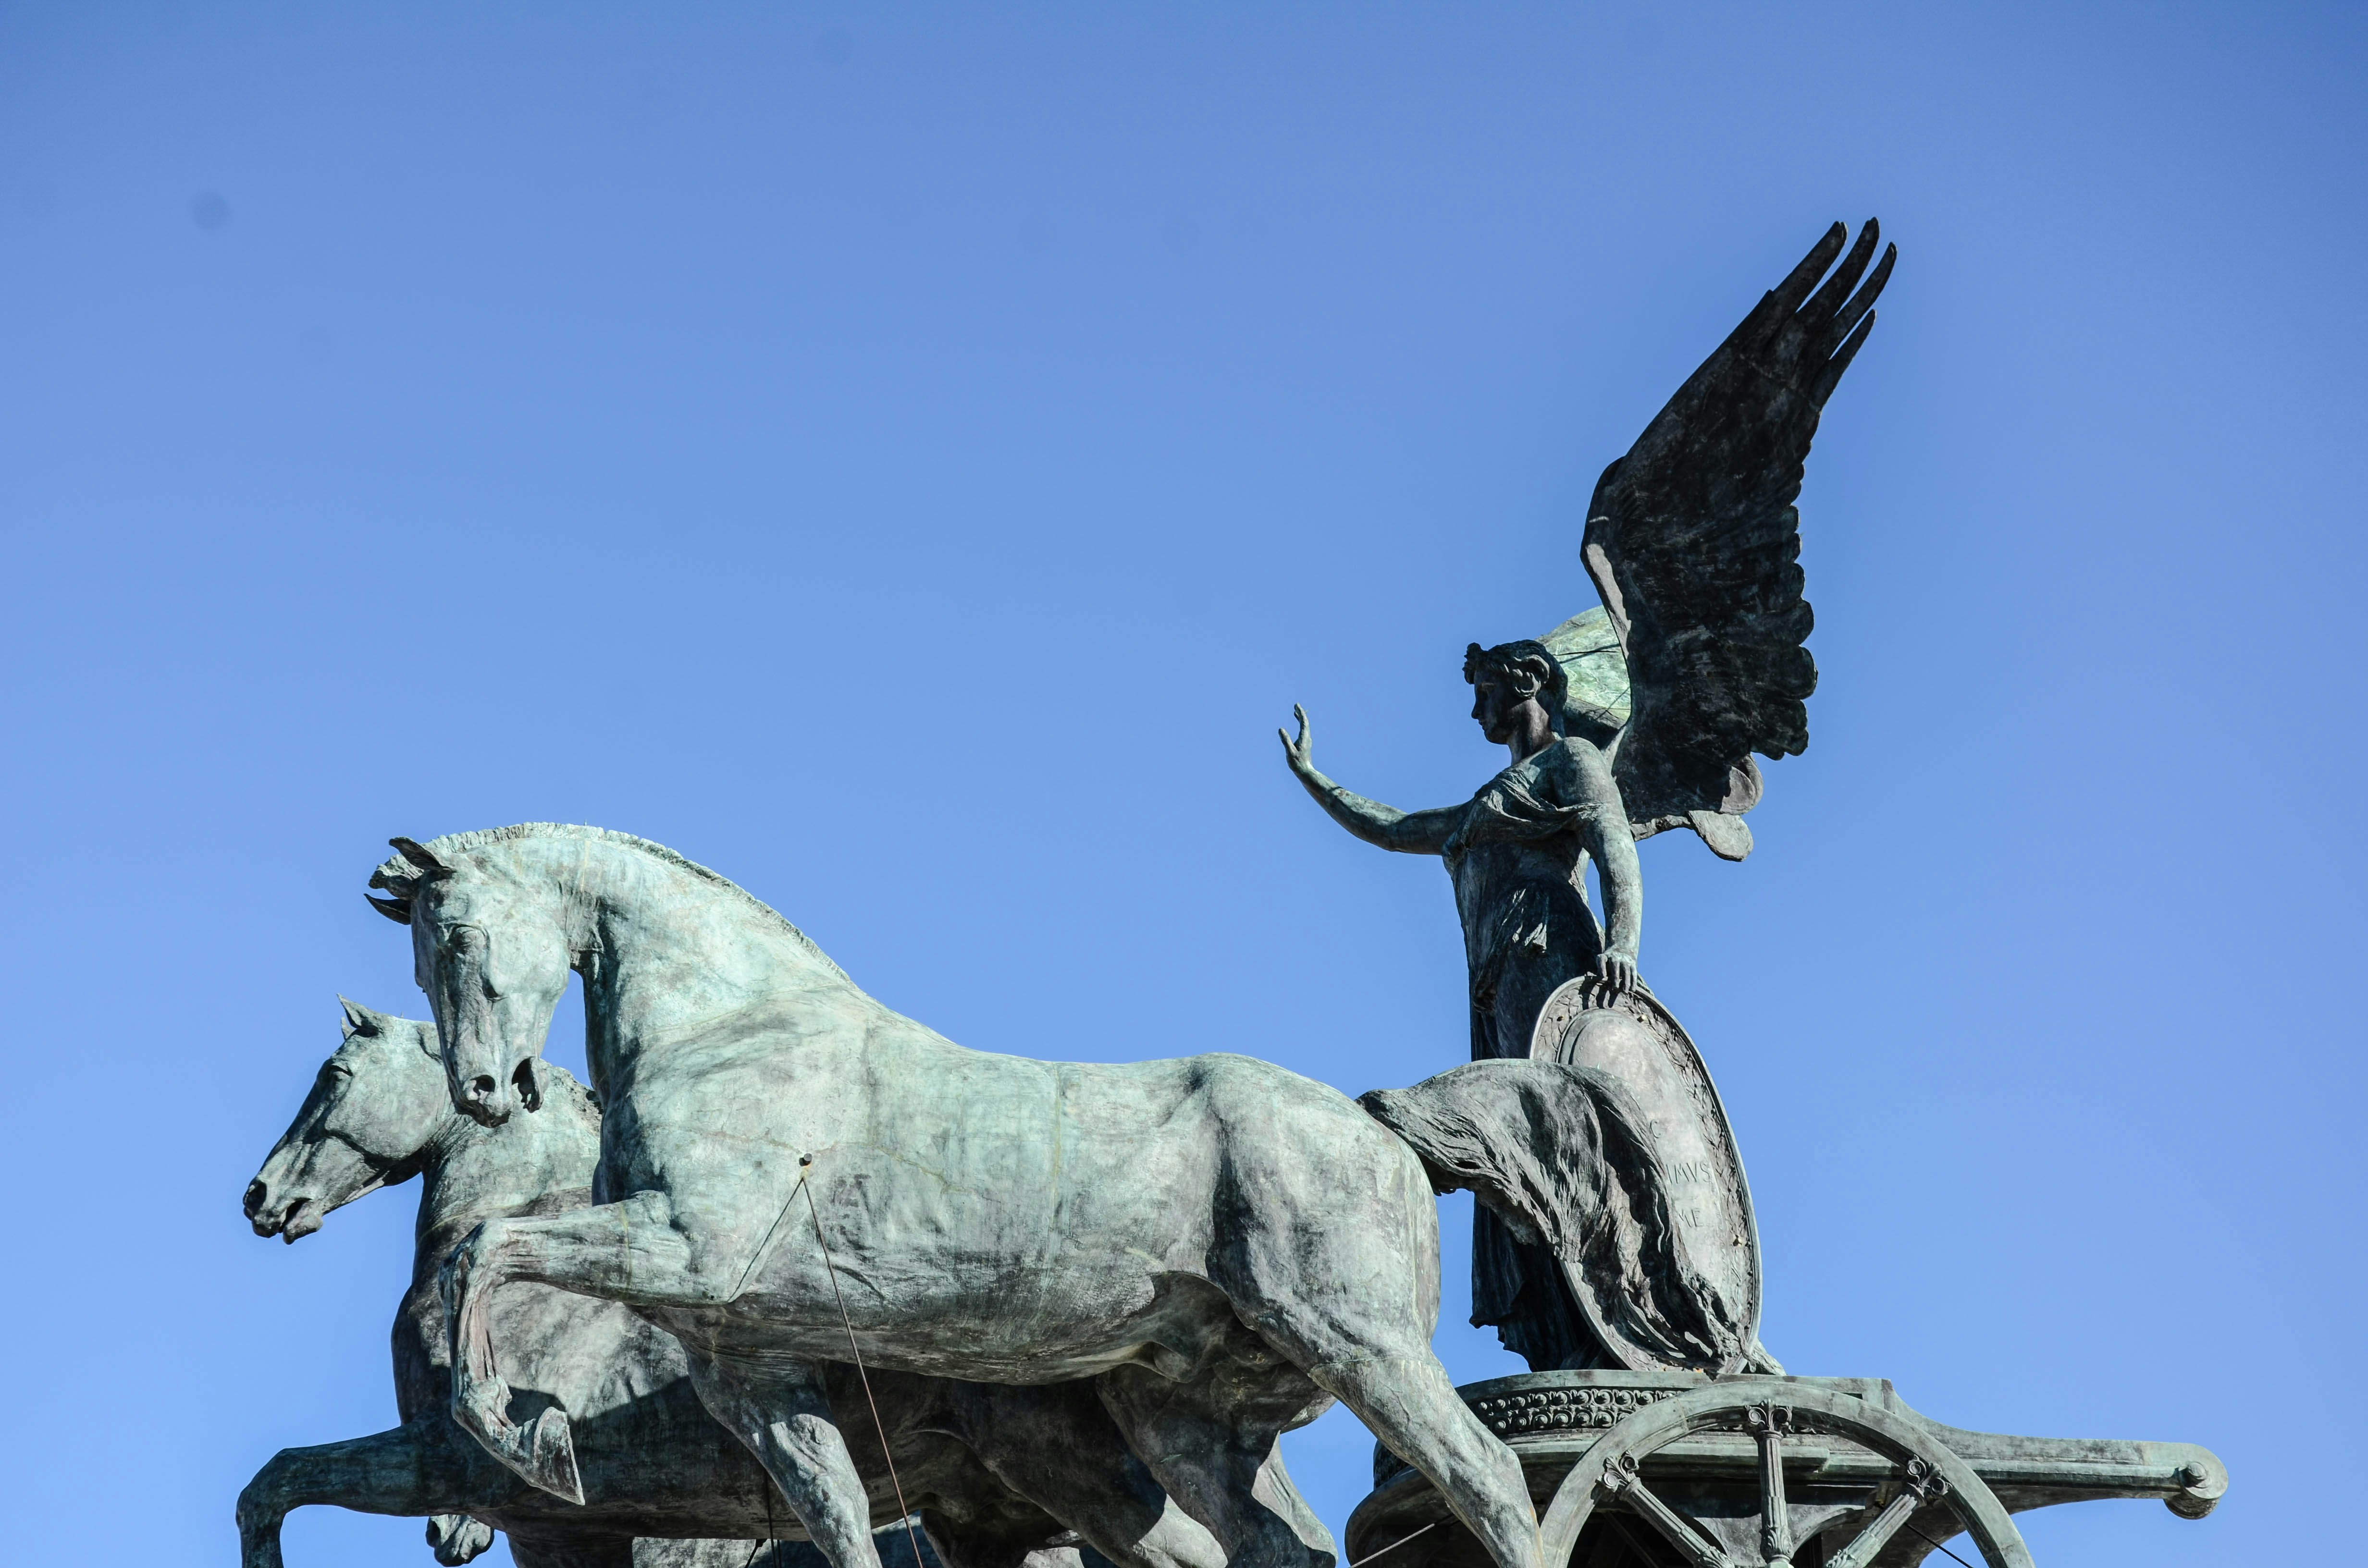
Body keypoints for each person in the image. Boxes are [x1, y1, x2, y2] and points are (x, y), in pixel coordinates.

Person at [1279, 638, 1643, 1371]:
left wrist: (1625, 944)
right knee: (1521, 1144)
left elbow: (1616, 849)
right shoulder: (1490, 798)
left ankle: (1612, 1308)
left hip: (1549, 954)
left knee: (1552, 1135)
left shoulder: (1572, 763)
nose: (1476, 708)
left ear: (1529, 680)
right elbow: (1393, 828)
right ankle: (1564, 1324)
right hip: (1497, 979)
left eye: (1484, 689)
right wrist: (1314, 778)